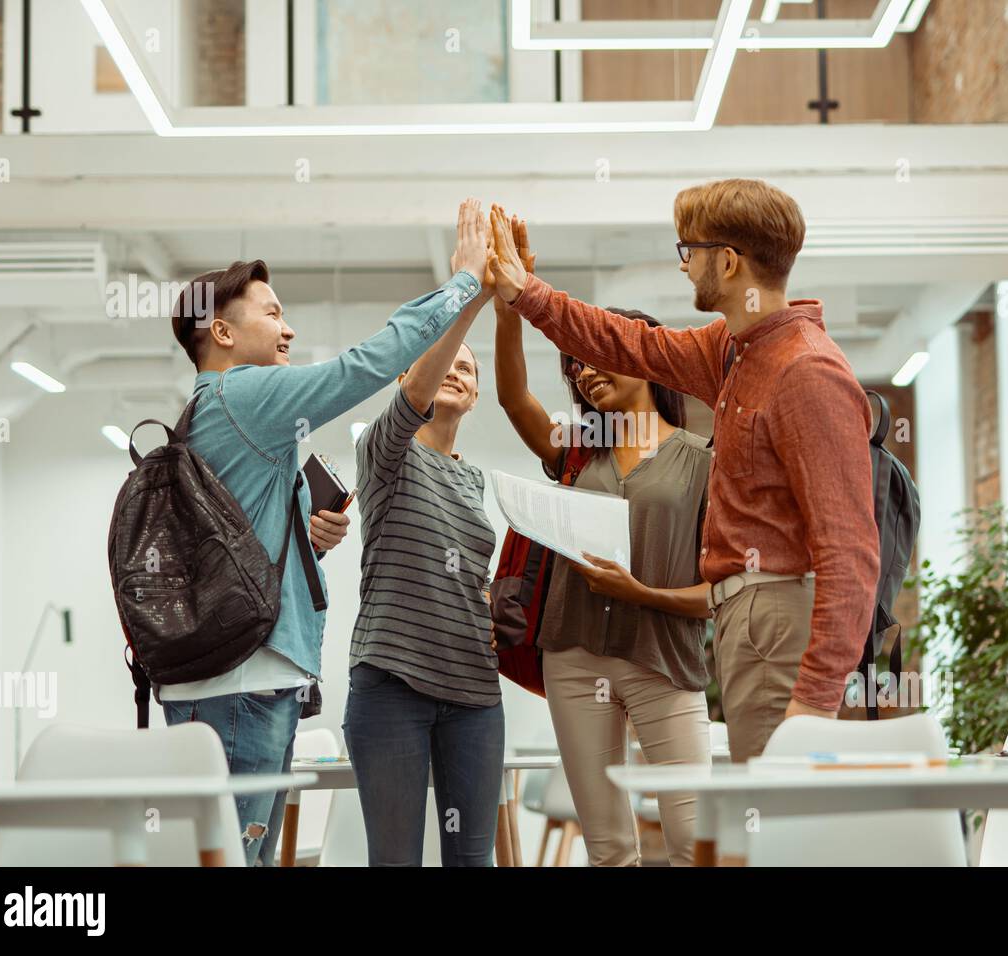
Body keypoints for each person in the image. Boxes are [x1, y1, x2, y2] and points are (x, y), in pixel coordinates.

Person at [487, 181, 881, 763]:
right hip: (742, 617)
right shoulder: (734, 348)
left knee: (778, 826)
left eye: (689, 253)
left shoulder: (806, 371)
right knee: (763, 820)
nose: (685, 267)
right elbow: (627, 342)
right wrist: (524, 294)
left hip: (776, 613)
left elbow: (850, 549)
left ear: (727, 260)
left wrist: (817, 698)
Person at [160, 198, 491, 866]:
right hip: (241, 686)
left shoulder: (212, 413)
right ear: (221, 333)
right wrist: (465, 284)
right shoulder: (241, 395)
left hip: (240, 682)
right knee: (235, 858)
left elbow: (231, 548)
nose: (287, 330)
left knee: (231, 855)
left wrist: (303, 541)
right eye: (273, 313)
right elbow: (362, 368)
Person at [493, 216, 712, 866]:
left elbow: (721, 592)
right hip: (573, 656)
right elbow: (512, 399)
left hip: (663, 661)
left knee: (693, 838)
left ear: (644, 355)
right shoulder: (576, 452)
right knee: (609, 845)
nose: (584, 376)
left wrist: (639, 590)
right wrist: (513, 298)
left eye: (595, 358)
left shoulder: (701, 461)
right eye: (573, 368)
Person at [342, 200, 503, 866]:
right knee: (397, 861)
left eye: (472, 368)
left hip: (474, 694)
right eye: (446, 364)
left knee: (472, 862)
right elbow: (411, 400)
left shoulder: (475, 483)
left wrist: (502, 608)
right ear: (413, 376)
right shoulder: (387, 454)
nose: (460, 370)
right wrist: (471, 297)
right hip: (392, 688)